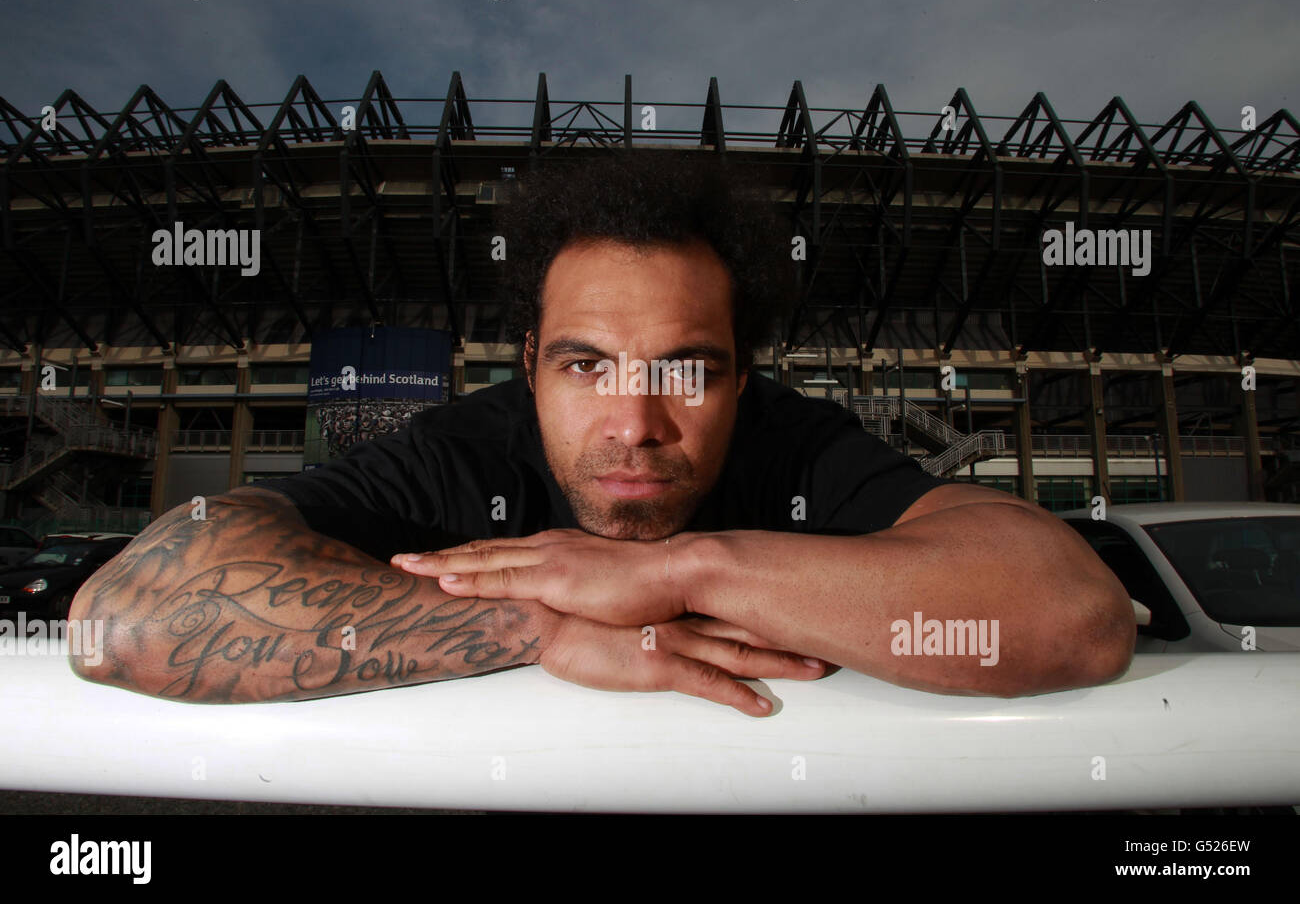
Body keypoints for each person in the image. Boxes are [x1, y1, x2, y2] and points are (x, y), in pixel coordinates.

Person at [69, 152, 1134, 716]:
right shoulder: (465, 448)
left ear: (741, 376)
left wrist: (690, 566)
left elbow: (1072, 619)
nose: (634, 420)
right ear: (528, 363)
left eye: (687, 368)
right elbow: (122, 617)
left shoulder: (793, 446)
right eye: (586, 364)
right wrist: (542, 626)